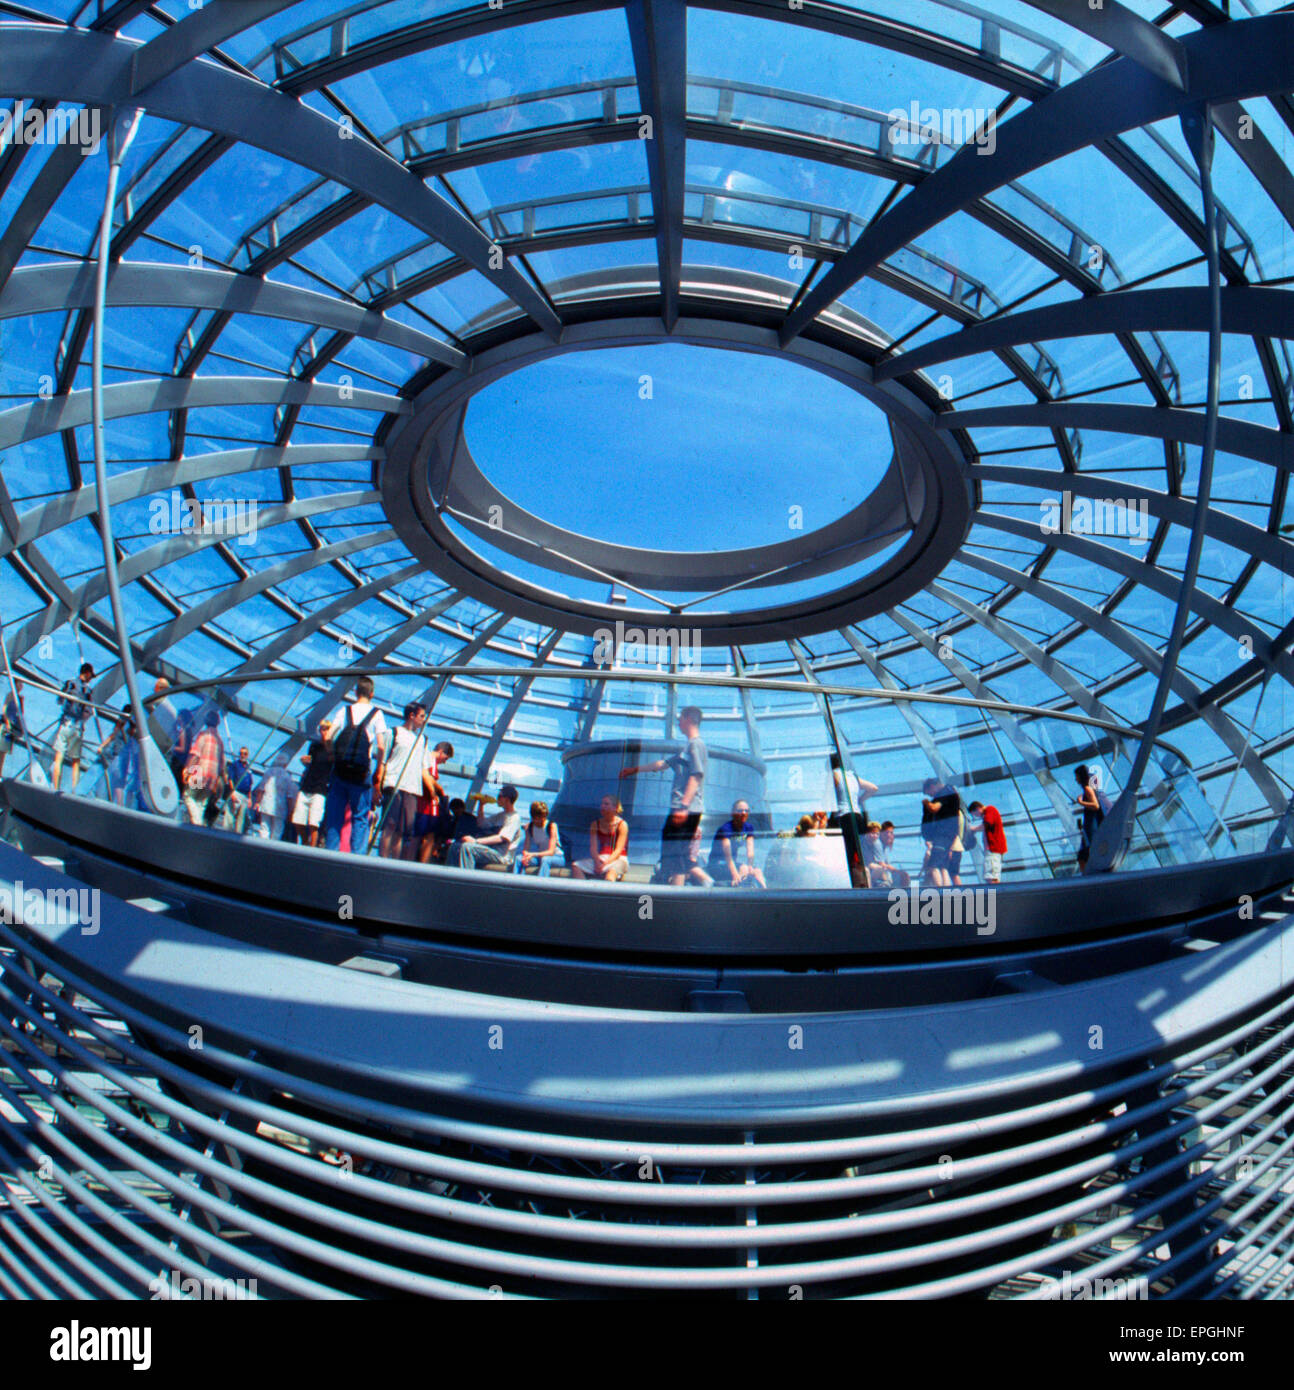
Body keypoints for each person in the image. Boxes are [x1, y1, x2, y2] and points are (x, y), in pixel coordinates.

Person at [621, 705, 711, 887]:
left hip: (685, 809)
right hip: (683, 808)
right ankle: (704, 881)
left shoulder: (696, 744)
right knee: (677, 853)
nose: (678, 722)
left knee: (675, 853)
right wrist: (634, 769)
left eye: (680, 718)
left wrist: (684, 806)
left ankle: (683, 891)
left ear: (688, 719)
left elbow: (696, 775)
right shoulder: (687, 748)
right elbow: (662, 764)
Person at [322, 677, 388, 855]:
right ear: (372, 694)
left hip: (340, 769)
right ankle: (356, 857)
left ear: (356, 692)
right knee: (360, 815)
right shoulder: (377, 714)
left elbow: (328, 736)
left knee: (335, 813)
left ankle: (330, 854)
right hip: (361, 772)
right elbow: (381, 746)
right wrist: (378, 768)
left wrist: (331, 754)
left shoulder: (345, 710)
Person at [378, 702, 432, 860]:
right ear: (412, 715)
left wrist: (434, 792)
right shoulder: (393, 733)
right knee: (390, 825)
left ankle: (394, 862)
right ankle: (382, 859)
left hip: (412, 789)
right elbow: (382, 761)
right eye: (422, 716)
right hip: (393, 784)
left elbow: (424, 768)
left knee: (403, 829)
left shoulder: (422, 740)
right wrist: (378, 785)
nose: (424, 719)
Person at [451, 782, 522, 870]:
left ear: (507, 799)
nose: (497, 798)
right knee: (455, 846)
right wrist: (481, 805)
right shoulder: (500, 815)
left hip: (501, 856)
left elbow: (502, 838)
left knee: (467, 848)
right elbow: (482, 824)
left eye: (499, 796)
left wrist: (476, 841)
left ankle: (465, 880)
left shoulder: (514, 818)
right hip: (489, 851)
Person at [51, 661, 95, 791]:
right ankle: (75, 791)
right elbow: (88, 712)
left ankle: (55, 787)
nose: (91, 678)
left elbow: (59, 700)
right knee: (76, 761)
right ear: (86, 674)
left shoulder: (70, 683)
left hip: (66, 723)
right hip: (77, 727)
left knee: (59, 756)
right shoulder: (88, 691)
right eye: (91, 676)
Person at [291, 720, 334, 848]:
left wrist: (327, 742)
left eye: (326, 729)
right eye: (322, 728)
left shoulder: (334, 748)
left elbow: (332, 760)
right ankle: (305, 840)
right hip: (307, 785)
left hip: (320, 788)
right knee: (297, 819)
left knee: (314, 822)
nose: (324, 731)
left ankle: (312, 846)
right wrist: (305, 761)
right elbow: (312, 761)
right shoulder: (314, 746)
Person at [182, 710, 226, 825]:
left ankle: (197, 823)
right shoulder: (220, 741)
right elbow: (222, 764)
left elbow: (196, 755)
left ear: (206, 721)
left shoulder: (204, 735)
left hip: (200, 774)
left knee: (188, 796)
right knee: (201, 803)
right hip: (212, 777)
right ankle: (197, 826)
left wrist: (187, 769)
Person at [708, 800, 765, 888]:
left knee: (757, 871)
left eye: (746, 811)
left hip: (732, 863)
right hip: (717, 864)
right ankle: (740, 891)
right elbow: (728, 856)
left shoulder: (748, 827)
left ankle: (766, 894)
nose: (743, 813)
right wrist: (735, 874)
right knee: (743, 868)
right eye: (740, 811)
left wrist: (750, 865)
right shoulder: (726, 828)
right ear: (733, 813)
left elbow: (750, 850)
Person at [415, 740, 455, 864]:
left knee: (422, 835)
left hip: (422, 802)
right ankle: (423, 863)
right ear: (441, 752)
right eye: (446, 758)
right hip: (426, 804)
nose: (445, 761)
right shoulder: (430, 760)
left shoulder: (427, 759)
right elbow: (429, 778)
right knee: (428, 835)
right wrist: (439, 790)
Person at [572, 794, 628, 882]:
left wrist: (605, 864)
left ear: (615, 807)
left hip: (618, 859)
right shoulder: (595, 824)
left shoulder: (622, 825)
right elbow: (593, 847)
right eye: (602, 804)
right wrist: (597, 862)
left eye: (606, 804)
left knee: (610, 874)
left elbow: (618, 850)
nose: (602, 806)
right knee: (575, 866)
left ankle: (607, 893)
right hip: (601, 858)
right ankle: (584, 891)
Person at [921, 777, 961, 888]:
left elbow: (934, 808)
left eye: (929, 793)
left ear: (932, 786)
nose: (930, 796)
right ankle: (947, 891)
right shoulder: (951, 792)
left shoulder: (943, 795)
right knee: (943, 867)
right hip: (950, 836)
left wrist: (926, 804)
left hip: (942, 835)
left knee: (933, 866)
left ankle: (940, 891)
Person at [252, 753, 298, 841]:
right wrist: (290, 811)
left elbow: (261, 789)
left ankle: (262, 845)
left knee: (264, 828)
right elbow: (289, 796)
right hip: (280, 807)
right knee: (277, 831)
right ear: (286, 764)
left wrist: (257, 802)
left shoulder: (268, 772)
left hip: (266, 804)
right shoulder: (287, 776)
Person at [515, 800, 562, 877]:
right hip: (539, 856)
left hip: (556, 857)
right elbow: (526, 848)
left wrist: (532, 854)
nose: (541, 820)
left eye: (543, 817)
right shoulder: (529, 827)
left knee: (546, 859)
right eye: (538, 818)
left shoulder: (551, 826)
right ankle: (516, 882)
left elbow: (551, 852)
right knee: (519, 858)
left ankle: (541, 884)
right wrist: (525, 856)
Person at [1075, 765, 1107, 874]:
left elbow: (1095, 805)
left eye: (1077, 776)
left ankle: (1087, 876)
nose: (1076, 779)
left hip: (1091, 825)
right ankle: (1089, 875)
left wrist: (1081, 802)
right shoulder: (1090, 788)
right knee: (1084, 854)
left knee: (1084, 855)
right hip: (1091, 824)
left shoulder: (1087, 789)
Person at [967, 801, 1006, 883]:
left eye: (974, 814)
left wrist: (973, 829)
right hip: (993, 849)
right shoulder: (988, 813)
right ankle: (996, 892)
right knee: (992, 875)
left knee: (991, 876)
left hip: (993, 849)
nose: (976, 816)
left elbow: (987, 824)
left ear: (978, 809)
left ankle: (995, 893)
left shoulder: (990, 810)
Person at [225, 745, 255, 833]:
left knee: (241, 819)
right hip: (236, 792)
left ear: (247, 755)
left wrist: (249, 798)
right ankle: (226, 834)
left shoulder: (248, 768)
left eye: (245, 754)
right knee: (230, 817)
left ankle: (237, 836)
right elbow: (230, 778)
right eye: (241, 753)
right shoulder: (235, 765)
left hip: (245, 796)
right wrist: (232, 792)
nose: (242, 755)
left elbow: (250, 784)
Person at [0, 680, 23, 778]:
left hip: (12, 728)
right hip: (7, 727)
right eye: (19, 684)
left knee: (4, 751)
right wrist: (8, 723)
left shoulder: (19, 698)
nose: (21, 686)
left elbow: (20, 715)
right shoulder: (10, 695)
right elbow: (4, 709)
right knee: (1, 748)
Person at [879, 821, 911, 888]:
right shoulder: (878, 846)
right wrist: (896, 870)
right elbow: (880, 864)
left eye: (891, 833)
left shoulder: (888, 850)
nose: (889, 835)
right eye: (887, 832)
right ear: (881, 834)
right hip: (880, 880)